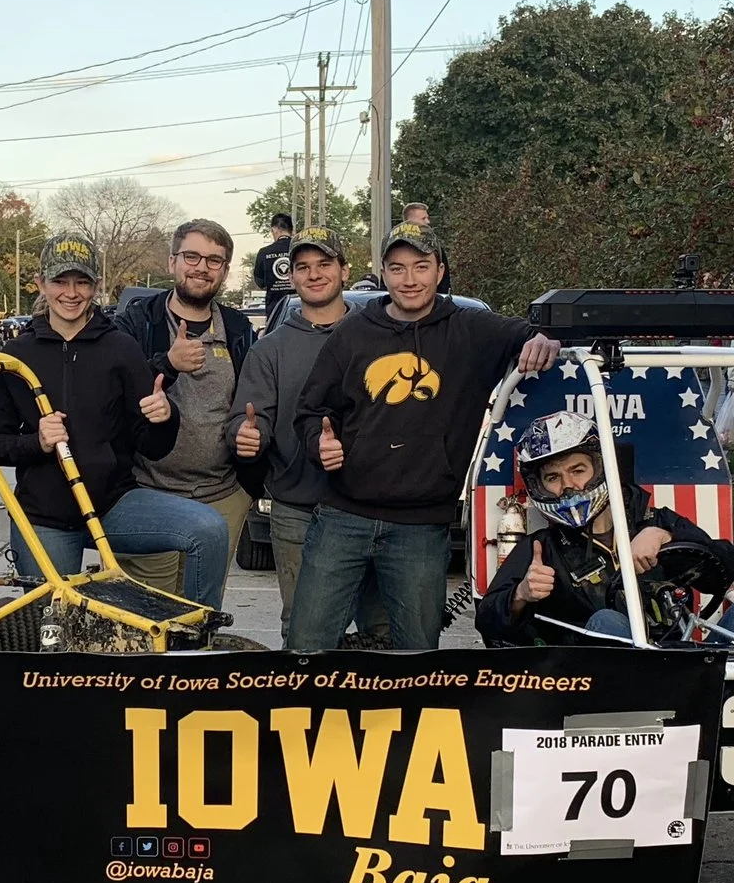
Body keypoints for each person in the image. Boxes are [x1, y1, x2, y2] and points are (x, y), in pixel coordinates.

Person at [288, 217, 561, 652]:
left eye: (420, 266)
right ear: (382, 273)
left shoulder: (471, 329)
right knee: (306, 646)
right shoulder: (352, 334)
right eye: (397, 268)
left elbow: (535, 331)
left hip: (421, 527)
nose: (409, 279)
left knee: (418, 654)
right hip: (342, 517)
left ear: (439, 271)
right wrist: (318, 444)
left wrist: (542, 339)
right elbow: (310, 412)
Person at [0, 233, 230, 603]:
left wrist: (165, 416)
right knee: (53, 631)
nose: (71, 292)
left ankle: (196, 640)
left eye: (82, 282)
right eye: (60, 281)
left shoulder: (120, 348)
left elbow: (152, 445)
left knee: (208, 530)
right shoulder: (16, 355)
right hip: (44, 517)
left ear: (96, 286)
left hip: (114, 507)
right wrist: (38, 441)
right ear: (40, 284)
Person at [476, 411, 734, 647]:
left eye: (577, 471)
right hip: (596, 680)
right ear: (540, 486)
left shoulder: (656, 520)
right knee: (607, 622)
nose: (567, 486)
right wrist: (521, 595)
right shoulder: (543, 547)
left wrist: (667, 539)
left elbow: (729, 564)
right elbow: (486, 620)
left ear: (600, 468)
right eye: (553, 477)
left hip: (680, 664)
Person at [229, 224, 386, 645]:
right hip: (298, 510)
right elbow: (247, 418)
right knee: (301, 632)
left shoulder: (380, 339)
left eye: (324, 264)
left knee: (383, 632)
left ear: (344, 269)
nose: (314, 274)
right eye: (303, 267)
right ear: (292, 276)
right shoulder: (270, 349)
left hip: (373, 508)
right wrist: (248, 436)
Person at [114, 219, 257, 567]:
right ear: (172, 262)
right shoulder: (135, 323)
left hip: (223, 497)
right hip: (148, 495)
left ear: (224, 271)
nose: (201, 268)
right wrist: (168, 363)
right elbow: (114, 393)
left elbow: (254, 401)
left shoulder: (239, 330)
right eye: (191, 257)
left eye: (214, 260)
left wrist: (253, 432)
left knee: (202, 612)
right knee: (149, 614)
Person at [251, 211, 297, 309]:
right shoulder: (300, 249)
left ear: (274, 230)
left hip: (275, 309)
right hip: (300, 307)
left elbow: (260, 282)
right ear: (292, 231)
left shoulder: (264, 253)